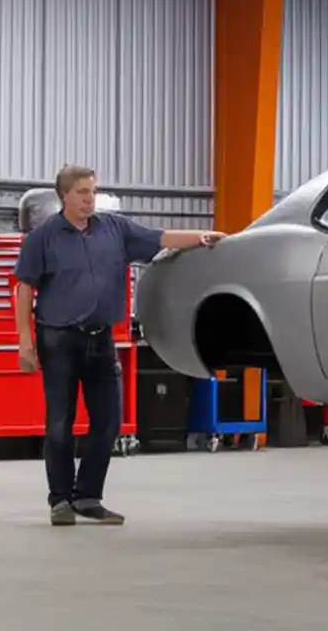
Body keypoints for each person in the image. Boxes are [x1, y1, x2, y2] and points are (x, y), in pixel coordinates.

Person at [12, 164, 227, 526]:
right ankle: (61, 500)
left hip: (101, 340)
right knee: (60, 423)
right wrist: (24, 342)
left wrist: (203, 236)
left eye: (92, 191)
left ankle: (88, 496)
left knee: (109, 422)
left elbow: (159, 238)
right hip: (58, 339)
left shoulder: (115, 229)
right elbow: (25, 288)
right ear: (64, 195)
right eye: (82, 192)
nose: (89, 198)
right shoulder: (43, 238)